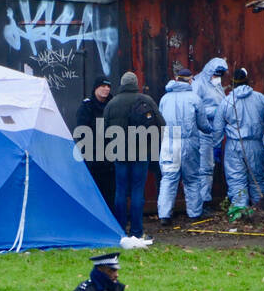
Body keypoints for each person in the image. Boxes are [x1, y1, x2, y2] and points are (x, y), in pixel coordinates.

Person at [103, 71, 164, 240]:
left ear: (122, 84)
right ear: (136, 83)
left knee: (120, 191)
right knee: (138, 191)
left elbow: (104, 131)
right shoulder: (146, 100)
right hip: (141, 153)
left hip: (120, 154)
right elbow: (161, 123)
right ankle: (137, 232)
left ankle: (120, 231)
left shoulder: (112, 104)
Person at [155, 68, 211, 227]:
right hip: (189, 143)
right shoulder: (194, 98)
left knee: (168, 179)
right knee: (192, 179)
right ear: (190, 80)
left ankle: (164, 215)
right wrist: (210, 130)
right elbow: (203, 124)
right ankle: (194, 213)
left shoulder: (165, 99)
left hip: (169, 143)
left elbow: (160, 121)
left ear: (176, 79)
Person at [213, 67, 264, 209]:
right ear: (248, 81)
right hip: (256, 144)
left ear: (232, 83)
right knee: (258, 178)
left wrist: (217, 146)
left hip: (234, 145)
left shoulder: (227, 101)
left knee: (236, 179)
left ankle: (240, 211)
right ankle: (260, 210)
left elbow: (218, 127)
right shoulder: (260, 98)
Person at [192, 57, 228, 212]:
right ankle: (202, 202)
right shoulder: (198, 84)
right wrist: (216, 112)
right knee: (204, 168)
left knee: (209, 167)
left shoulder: (216, 86)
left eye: (220, 75)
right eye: (215, 75)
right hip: (203, 133)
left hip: (214, 133)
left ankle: (204, 200)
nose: (217, 78)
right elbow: (195, 107)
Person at [75, 76, 115, 208]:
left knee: (109, 191)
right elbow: (81, 131)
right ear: (96, 88)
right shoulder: (87, 106)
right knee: (93, 191)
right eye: (103, 86)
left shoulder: (113, 104)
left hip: (110, 156)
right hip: (93, 156)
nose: (106, 89)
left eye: (108, 86)